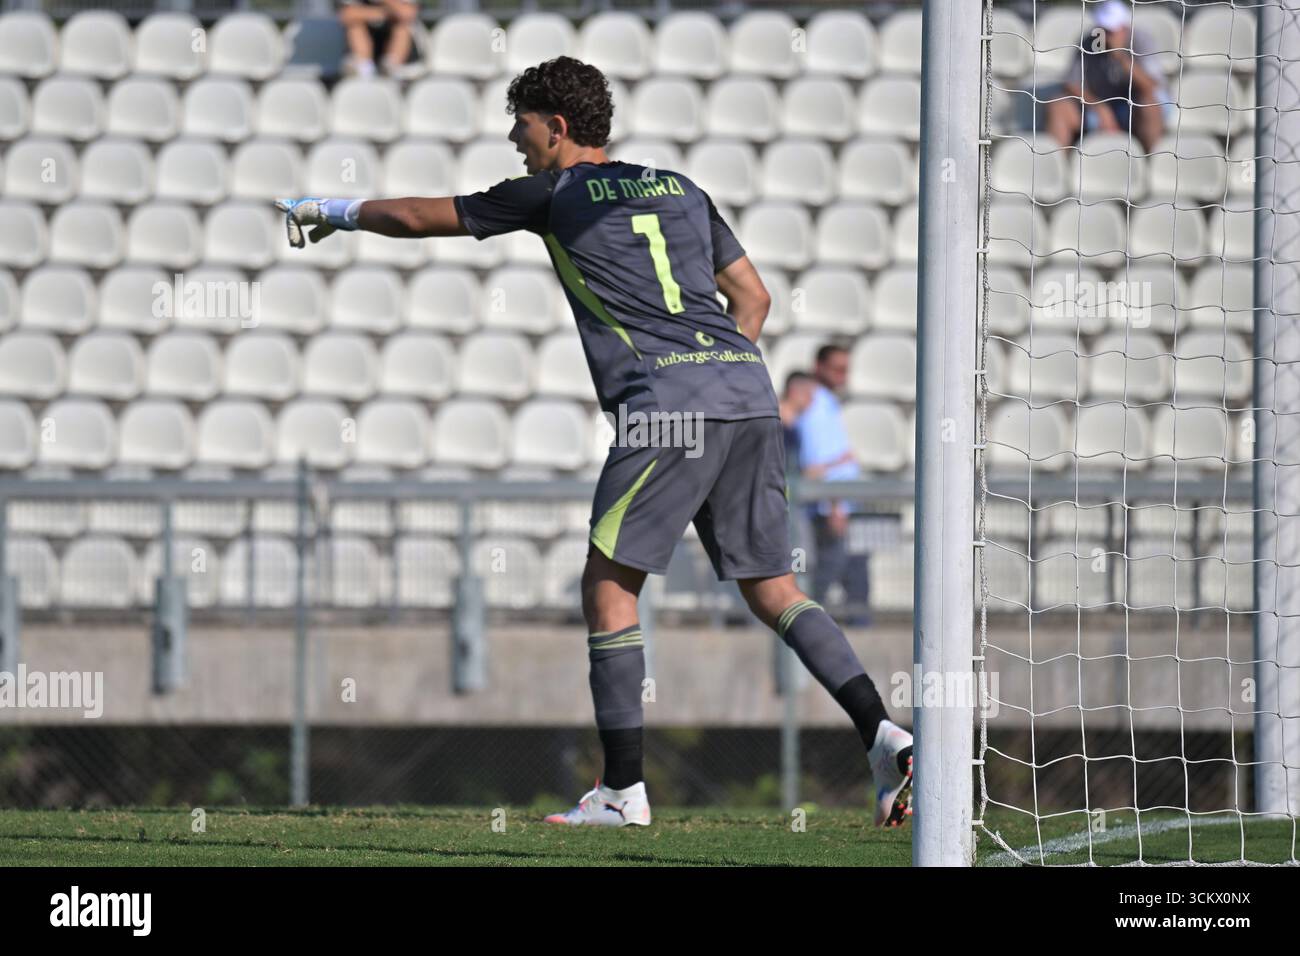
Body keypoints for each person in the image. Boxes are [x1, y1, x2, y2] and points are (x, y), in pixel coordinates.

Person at [274, 56, 913, 829]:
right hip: (747, 392)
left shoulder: (554, 192)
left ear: (559, 126)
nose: (516, 139)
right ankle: (882, 733)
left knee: (609, 588)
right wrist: (715, 372)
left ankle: (622, 791)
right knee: (774, 587)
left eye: (523, 124)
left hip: (668, 406)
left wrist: (331, 210)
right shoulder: (682, 187)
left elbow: (418, 219)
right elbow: (754, 296)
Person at [796, 344, 871, 626]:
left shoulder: (827, 401)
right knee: (829, 575)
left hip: (843, 502)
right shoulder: (814, 403)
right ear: (819, 367)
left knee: (855, 574)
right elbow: (816, 463)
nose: (843, 375)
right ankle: (807, 626)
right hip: (832, 506)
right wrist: (833, 504)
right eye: (836, 369)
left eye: (846, 369)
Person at [1045, 0, 1172, 153]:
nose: (1105, 35)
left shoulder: (1141, 40)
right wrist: (1099, 107)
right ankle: (1057, 168)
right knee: (1058, 106)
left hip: (1137, 108)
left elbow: (1150, 86)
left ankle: (1154, 165)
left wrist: (1120, 57)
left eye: (1111, 30)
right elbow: (1072, 83)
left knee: (1148, 104)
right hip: (1102, 106)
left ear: (1124, 27)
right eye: (1103, 28)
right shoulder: (1088, 41)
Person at [337, 0, 418, 79]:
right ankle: (364, 70)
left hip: (397, 52)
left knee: (402, 26)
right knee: (355, 26)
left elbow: (407, 14)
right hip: (366, 47)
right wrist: (385, 13)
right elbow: (347, 15)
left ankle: (391, 69)